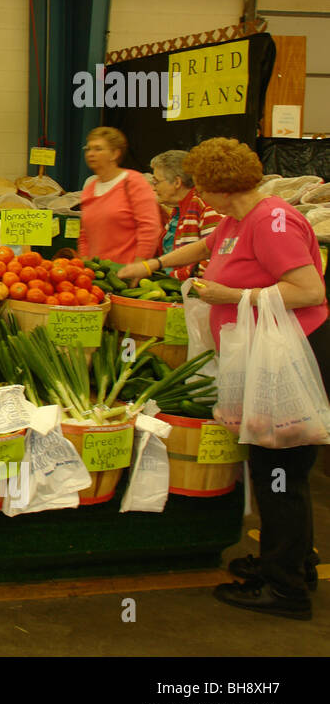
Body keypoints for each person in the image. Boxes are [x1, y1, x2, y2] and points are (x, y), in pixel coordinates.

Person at [118, 137, 327, 621]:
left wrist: (232, 296)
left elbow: (308, 289)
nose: (197, 196)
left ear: (219, 186)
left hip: (289, 357)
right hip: (262, 353)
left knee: (281, 474)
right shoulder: (239, 218)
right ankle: (292, 561)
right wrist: (150, 265)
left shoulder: (272, 223)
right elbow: (207, 244)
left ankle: (285, 590)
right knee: (276, 470)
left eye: (201, 187)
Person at [77, 126, 161, 264]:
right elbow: (84, 235)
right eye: (88, 149)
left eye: (98, 149)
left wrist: (139, 266)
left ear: (115, 154)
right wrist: (85, 265)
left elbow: (149, 228)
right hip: (97, 276)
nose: (90, 153)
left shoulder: (134, 182)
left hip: (127, 274)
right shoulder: (89, 189)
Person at [148, 149, 221, 279]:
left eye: (156, 182)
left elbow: (215, 256)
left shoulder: (204, 205)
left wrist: (177, 277)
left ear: (177, 182)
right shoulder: (178, 209)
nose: (154, 188)